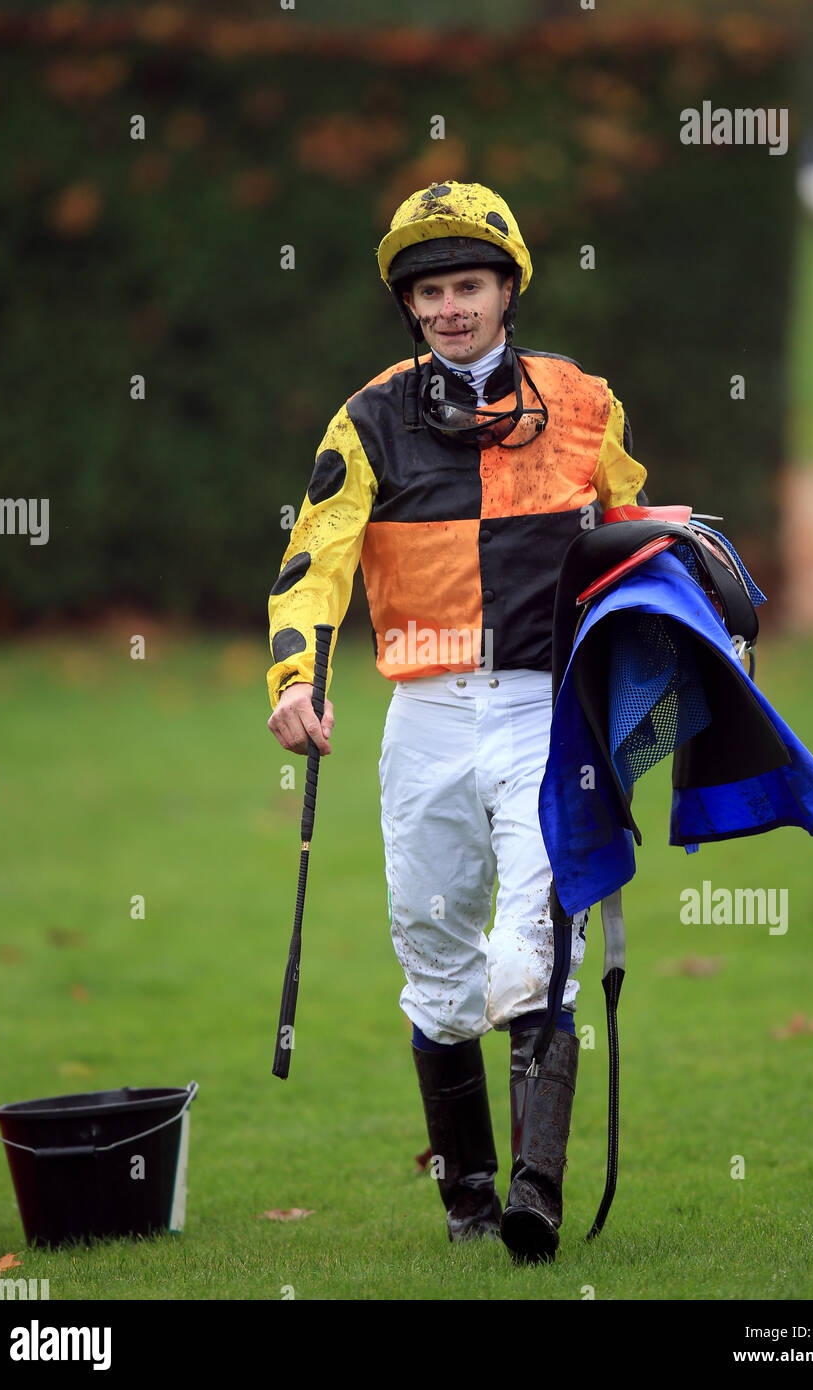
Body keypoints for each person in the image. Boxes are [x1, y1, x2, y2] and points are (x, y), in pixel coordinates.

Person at [265, 180, 647, 1264]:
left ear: (506, 289)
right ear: (410, 305)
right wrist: (296, 676)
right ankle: (468, 1197)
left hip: (541, 708)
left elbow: (633, 545)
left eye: (466, 285)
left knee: (537, 938)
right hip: (424, 713)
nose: (448, 307)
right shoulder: (369, 416)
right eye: (429, 291)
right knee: (433, 953)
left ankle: (535, 1193)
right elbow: (314, 560)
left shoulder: (584, 403)